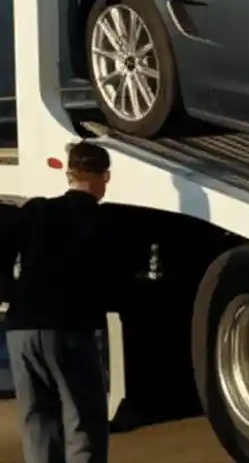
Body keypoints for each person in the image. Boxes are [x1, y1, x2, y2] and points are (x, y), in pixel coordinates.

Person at [0, 141, 113, 463]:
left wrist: (9, 289)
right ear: (105, 177)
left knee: (37, 420)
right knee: (83, 421)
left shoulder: (36, 210)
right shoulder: (102, 220)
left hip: (21, 328)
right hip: (69, 329)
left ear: (68, 174)